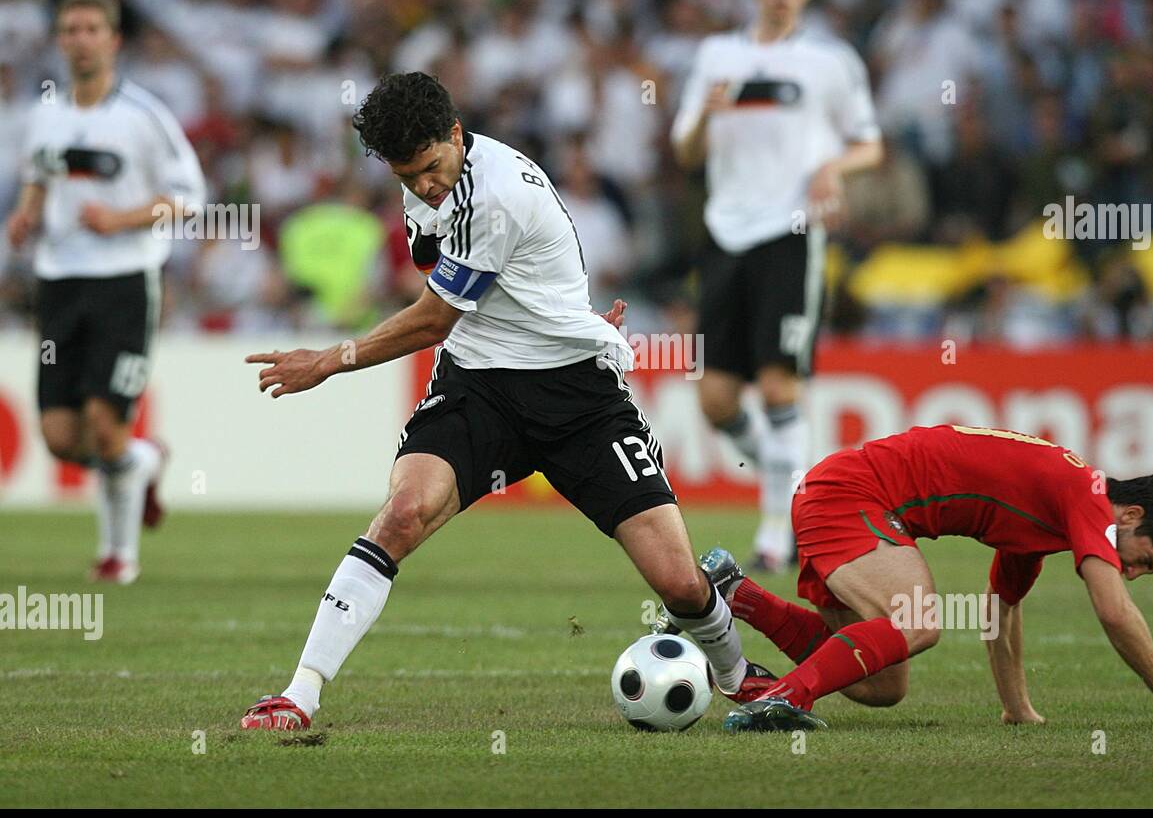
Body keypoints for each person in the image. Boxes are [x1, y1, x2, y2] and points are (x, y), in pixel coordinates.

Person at [239, 72, 773, 731]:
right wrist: (553, 307)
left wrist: (328, 359)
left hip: (576, 393)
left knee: (681, 584)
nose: (425, 185)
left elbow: (433, 318)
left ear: (457, 136)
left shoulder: (495, 194)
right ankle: (299, 693)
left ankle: (738, 675)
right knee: (403, 513)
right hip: (480, 384)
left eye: (433, 167)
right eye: (409, 176)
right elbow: (458, 291)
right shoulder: (425, 187)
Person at [703, 425, 1153, 732]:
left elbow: (1000, 612)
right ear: (1130, 516)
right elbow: (1113, 608)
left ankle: (735, 593)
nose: (1132, 572)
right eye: (1145, 560)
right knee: (919, 623)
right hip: (852, 494)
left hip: (842, 496)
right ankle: (784, 698)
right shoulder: (1089, 496)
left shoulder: (1047, 522)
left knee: (880, 687)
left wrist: (1018, 709)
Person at [671, 0, 883, 572]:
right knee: (715, 400)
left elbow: (870, 143)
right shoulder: (716, 55)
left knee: (776, 382)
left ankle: (775, 536)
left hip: (790, 233)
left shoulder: (830, 61)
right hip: (724, 233)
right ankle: (796, 486)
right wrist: (707, 117)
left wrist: (833, 171)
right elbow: (685, 152)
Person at [4, 0, 204, 583]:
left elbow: (191, 200)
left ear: (113, 41)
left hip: (123, 280)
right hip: (59, 280)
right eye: (71, 29)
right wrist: (26, 211)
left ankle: (118, 556)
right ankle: (144, 461)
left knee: (105, 424)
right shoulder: (45, 113)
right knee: (61, 437)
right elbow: (41, 174)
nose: (81, 40)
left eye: (93, 29)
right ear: (60, 41)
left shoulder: (143, 116)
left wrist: (120, 219)